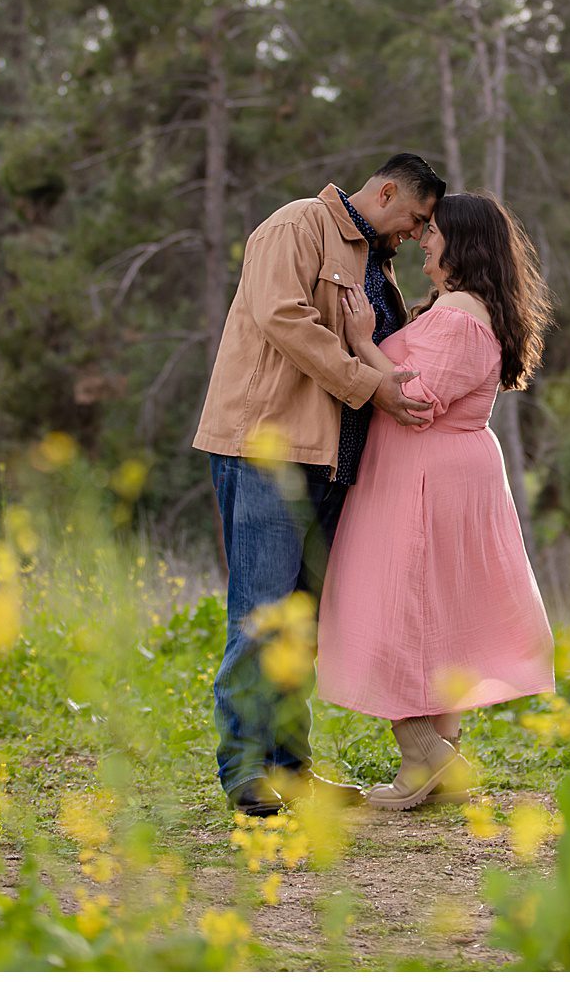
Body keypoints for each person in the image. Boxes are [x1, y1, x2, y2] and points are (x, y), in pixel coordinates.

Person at [192, 154, 446, 817]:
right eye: (416, 218)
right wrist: (370, 386)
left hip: (332, 464)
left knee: (301, 627)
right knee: (263, 619)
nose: (416, 235)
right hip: (269, 452)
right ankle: (246, 774)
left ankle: (291, 771)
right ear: (387, 191)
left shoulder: (377, 264)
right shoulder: (296, 225)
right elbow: (283, 317)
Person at [317, 191, 556, 811]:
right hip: (440, 473)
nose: (424, 238)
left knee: (400, 609)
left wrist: (365, 343)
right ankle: (434, 758)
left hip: (425, 477)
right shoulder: (471, 310)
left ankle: (429, 753)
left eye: (434, 231)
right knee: (433, 612)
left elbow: (416, 400)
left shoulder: (458, 315)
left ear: (463, 242)